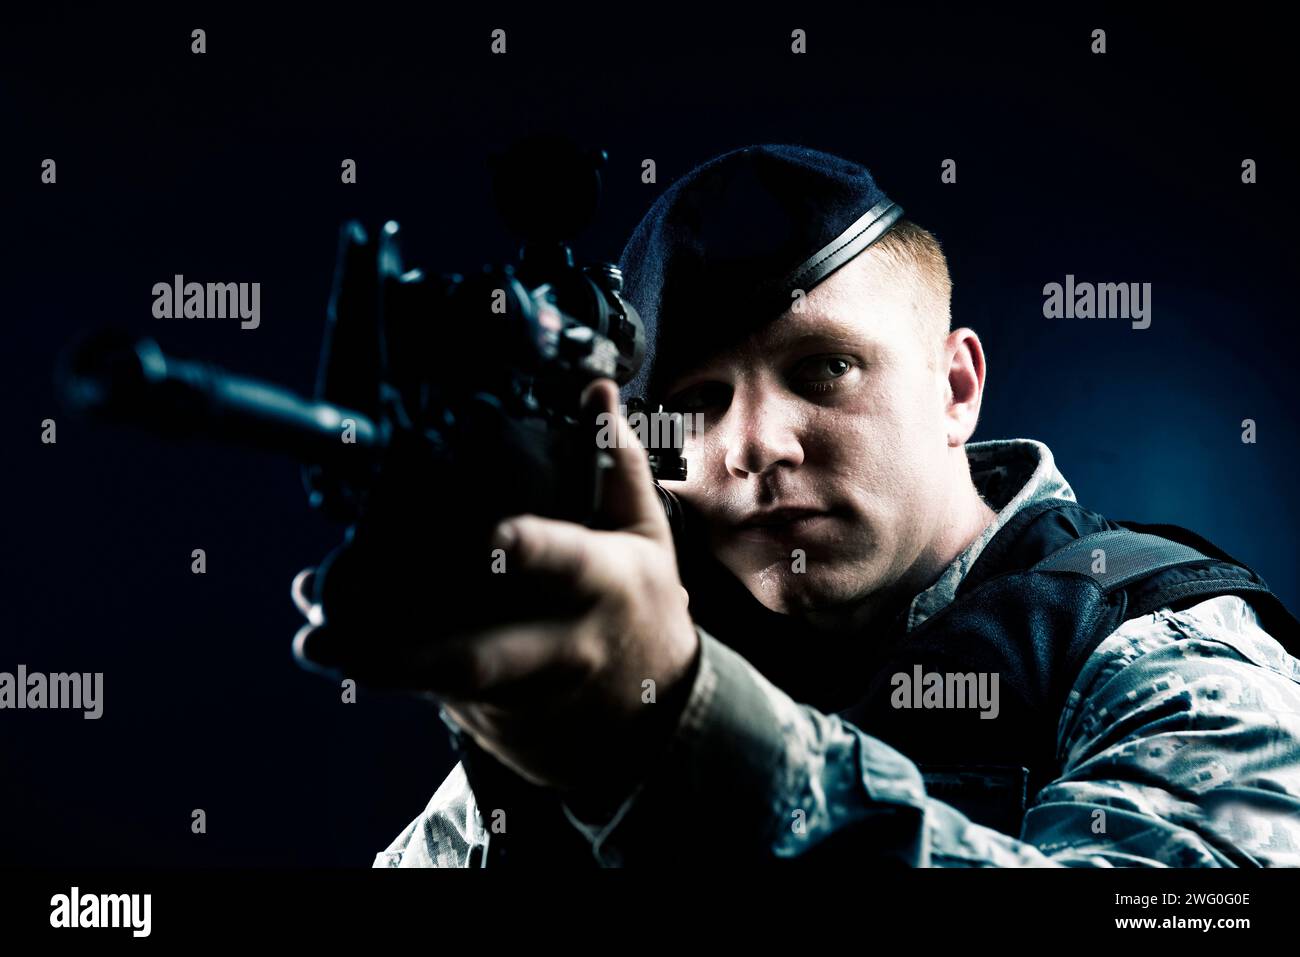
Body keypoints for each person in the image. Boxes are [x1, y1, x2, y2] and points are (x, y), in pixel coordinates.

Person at [291, 144, 1300, 867]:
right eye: (691, 407)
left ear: (956, 387)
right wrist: (525, 764)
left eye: (823, 369)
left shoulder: (1152, 645)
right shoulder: (640, 656)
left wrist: (683, 743)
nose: (751, 445)